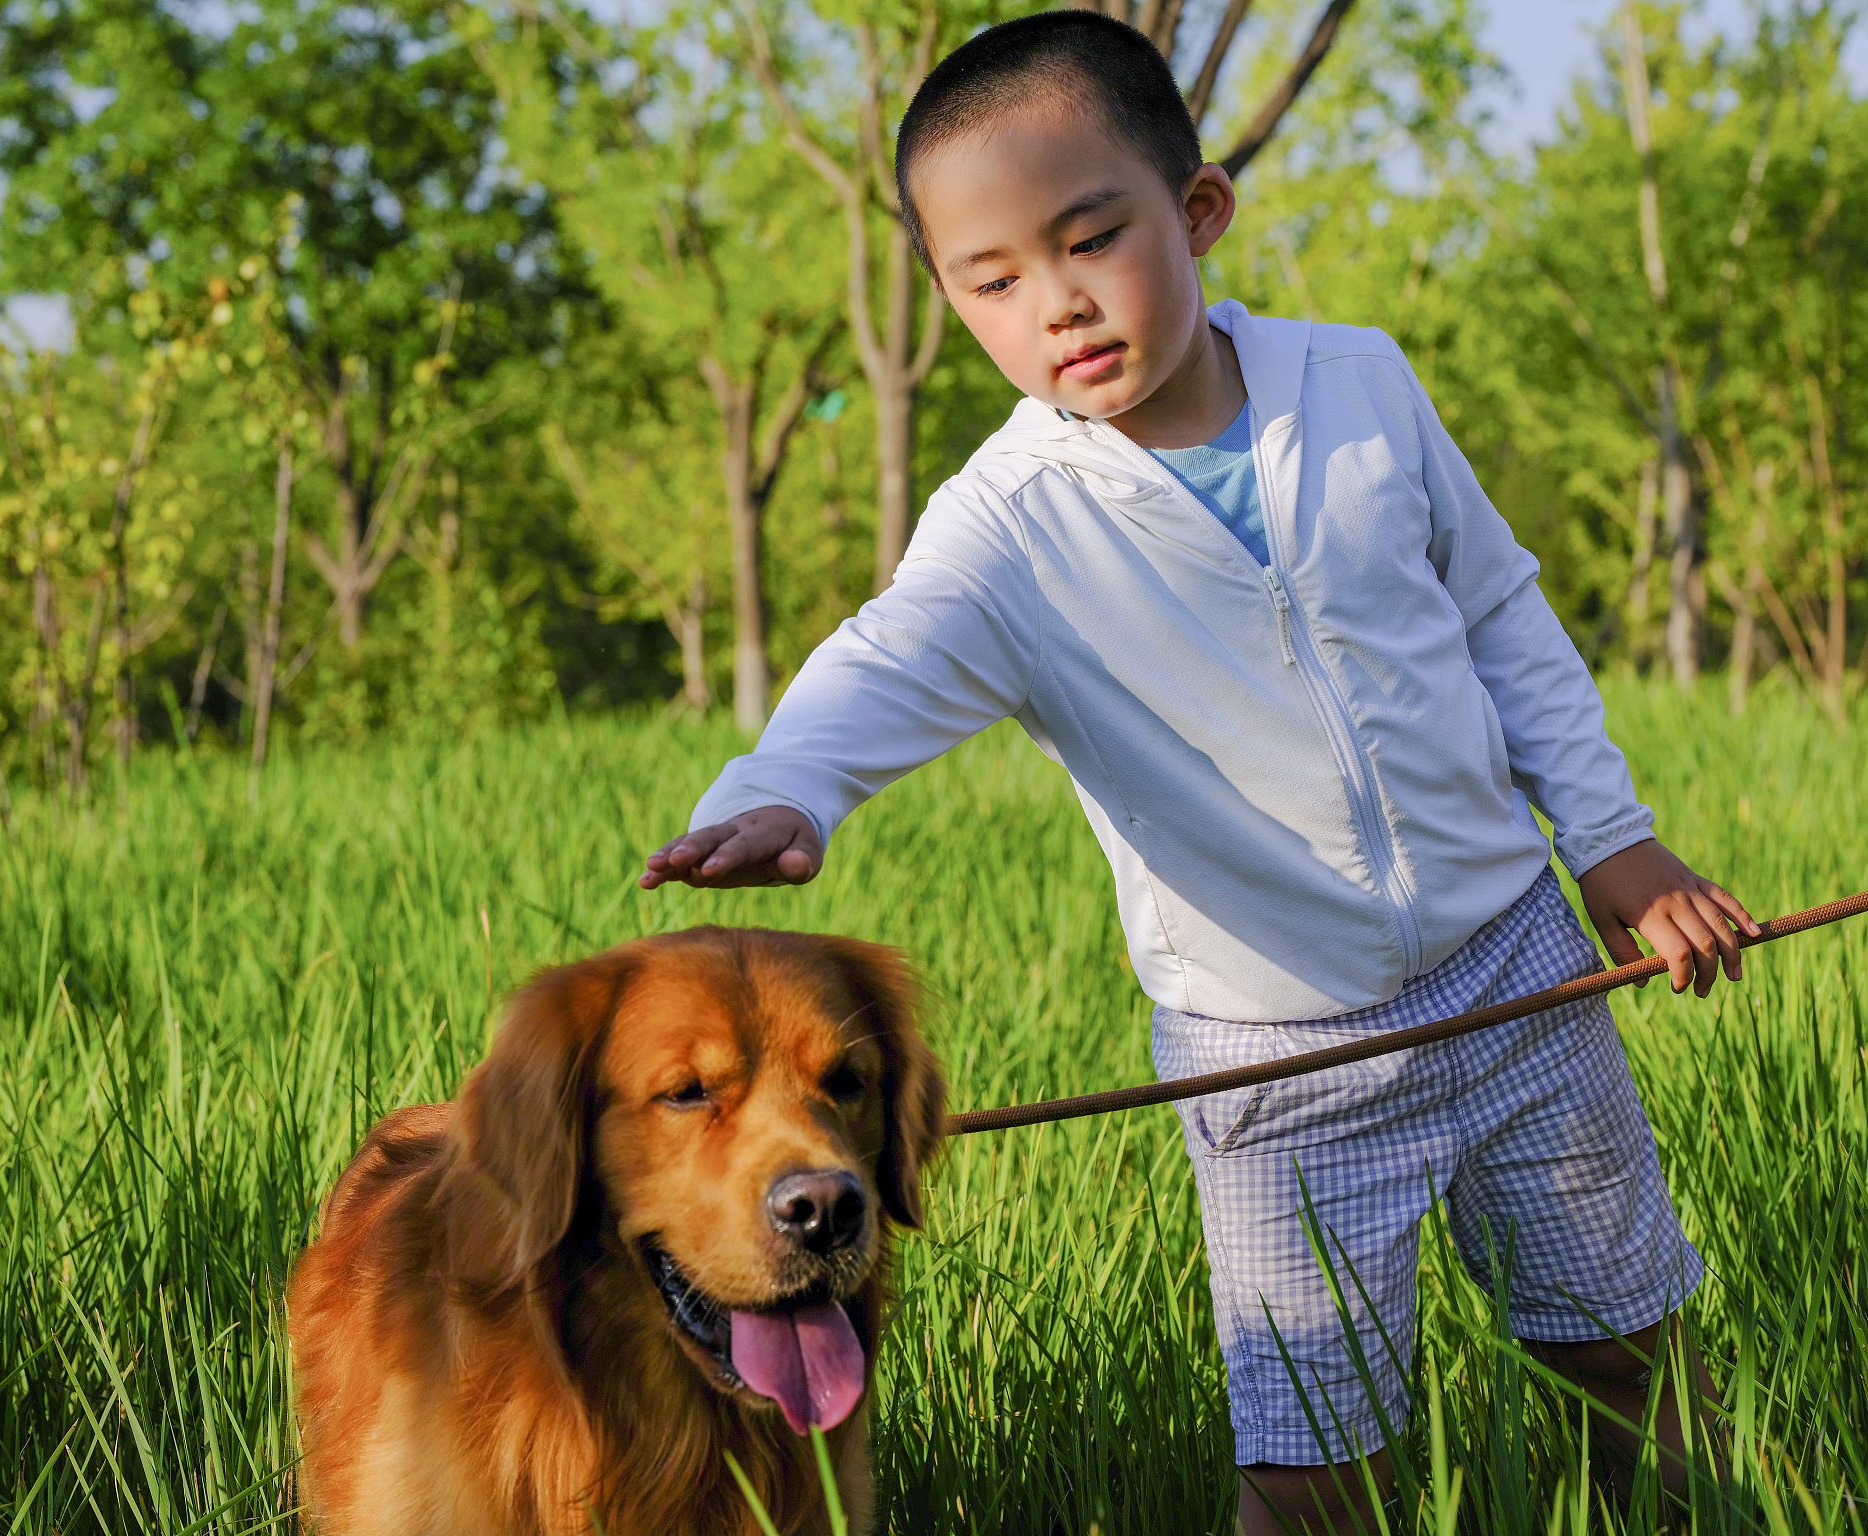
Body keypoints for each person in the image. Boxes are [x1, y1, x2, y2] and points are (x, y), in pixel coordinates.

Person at [639, 12, 1754, 1531]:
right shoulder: (1013, 520)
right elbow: (890, 648)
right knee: (1312, 1474)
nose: (1058, 303)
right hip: (1272, 1057)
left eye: (1092, 237)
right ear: (953, 300)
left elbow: (1501, 609)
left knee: (1629, 1358)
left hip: (1519, 975)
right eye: (993, 281)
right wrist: (783, 788)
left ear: (1200, 210)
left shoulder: (1356, 388)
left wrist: (1615, 847)